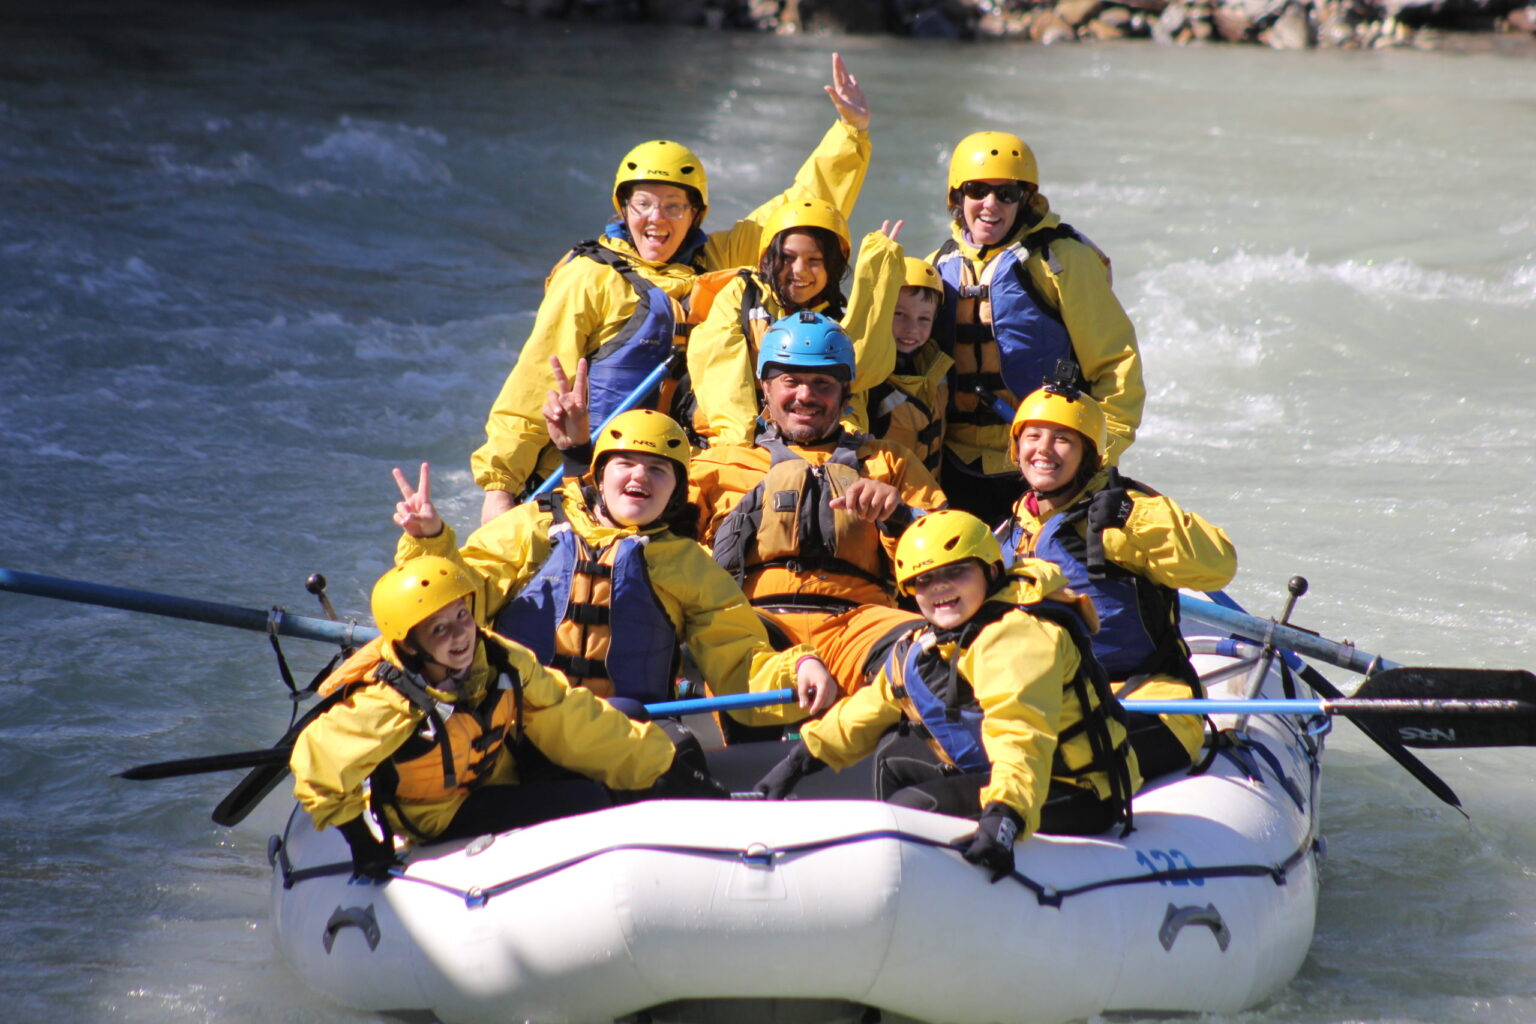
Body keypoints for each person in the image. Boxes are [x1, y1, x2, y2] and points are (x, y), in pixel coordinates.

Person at [473, 53, 875, 524]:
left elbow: (803, 209)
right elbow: (535, 381)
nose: (656, 219)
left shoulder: (719, 259)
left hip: (675, 471)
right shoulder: (589, 277)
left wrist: (850, 131)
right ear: (623, 210)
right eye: (642, 204)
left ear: (695, 214)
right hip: (596, 470)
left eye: (672, 206)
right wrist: (499, 486)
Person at [396, 376, 837, 732]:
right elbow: (452, 606)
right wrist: (430, 539)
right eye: (625, 464)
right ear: (600, 476)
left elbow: (740, 657)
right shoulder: (532, 526)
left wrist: (798, 667)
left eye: (659, 470)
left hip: (625, 732)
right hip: (518, 723)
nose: (639, 476)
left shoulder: (688, 563)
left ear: (677, 493)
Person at [753, 510, 1140, 881]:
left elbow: (1020, 734)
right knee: (893, 764)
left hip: (1073, 789)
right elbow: (868, 708)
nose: (939, 588)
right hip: (1006, 775)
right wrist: (798, 763)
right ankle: (929, 886)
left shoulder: (1017, 637)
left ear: (990, 571)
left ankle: (940, 890)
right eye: (924, 580)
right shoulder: (927, 643)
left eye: (956, 572)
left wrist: (1003, 815)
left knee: (912, 808)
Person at [289, 556, 721, 880]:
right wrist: (362, 842)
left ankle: (676, 811)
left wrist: (661, 767)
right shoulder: (386, 704)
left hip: (495, 777)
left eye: (462, 616)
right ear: (410, 644)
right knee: (590, 802)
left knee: (625, 715)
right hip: (438, 816)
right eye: (438, 629)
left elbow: (571, 716)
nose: (460, 635)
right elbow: (318, 766)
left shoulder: (499, 658)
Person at [688, 311, 947, 739]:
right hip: (754, 626)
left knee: (931, 655)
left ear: (845, 392)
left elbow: (952, 554)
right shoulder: (715, 466)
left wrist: (900, 518)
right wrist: (579, 454)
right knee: (739, 665)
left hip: (861, 623)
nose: (805, 395)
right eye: (790, 381)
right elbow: (657, 543)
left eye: (823, 384)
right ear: (764, 388)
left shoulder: (890, 462)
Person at [1002, 383, 1236, 779]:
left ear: (1089, 455)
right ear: (1016, 447)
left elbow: (1217, 566)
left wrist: (1131, 513)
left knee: (1041, 764)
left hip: (1148, 703)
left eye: (1062, 439)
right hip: (1057, 703)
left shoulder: (1119, 515)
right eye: (1033, 436)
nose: (1043, 449)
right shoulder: (1015, 525)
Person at [929, 130, 1146, 526]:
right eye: (978, 190)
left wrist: (1099, 454)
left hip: (1043, 465)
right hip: (953, 464)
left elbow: (1116, 363)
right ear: (957, 198)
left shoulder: (1061, 260)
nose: (990, 204)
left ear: (1024, 199)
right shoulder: (937, 265)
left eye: (1007, 193)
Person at [685, 205, 901, 446]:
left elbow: (856, 382)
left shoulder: (837, 317)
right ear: (768, 258)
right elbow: (722, 374)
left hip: (812, 438)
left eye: (815, 260)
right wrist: (741, 447)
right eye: (787, 258)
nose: (799, 270)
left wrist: (879, 277)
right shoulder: (742, 296)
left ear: (833, 265)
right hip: (741, 439)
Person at [848, 256, 952, 474]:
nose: (911, 329)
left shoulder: (936, 365)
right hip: (885, 498)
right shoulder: (867, 380)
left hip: (930, 497)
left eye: (924, 319)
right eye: (899, 314)